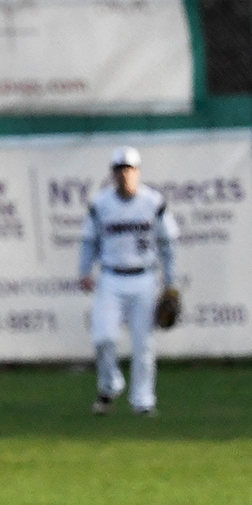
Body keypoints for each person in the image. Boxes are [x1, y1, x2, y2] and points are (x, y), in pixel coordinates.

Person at [78, 146, 178, 417]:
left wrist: (171, 283)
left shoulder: (153, 202)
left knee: (143, 345)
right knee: (103, 338)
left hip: (144, 277)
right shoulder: (101, 204)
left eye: (130, 169)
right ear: (112, 173)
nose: (125, 174)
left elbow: (168, 244)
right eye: (120, 169)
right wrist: (84, 271)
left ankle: (143, 401)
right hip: (110, 277)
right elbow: (89, 241)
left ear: (138, 172)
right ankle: (111, 384)